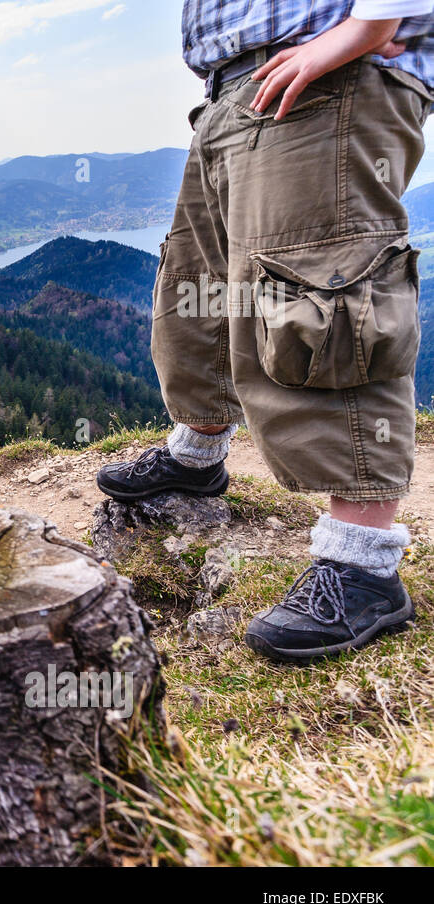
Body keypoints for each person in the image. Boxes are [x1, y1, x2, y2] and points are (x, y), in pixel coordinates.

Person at [97, 2, 434, 662]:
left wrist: (371, 25)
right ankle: (197, 457)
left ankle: (363, 567)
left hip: (329, 75)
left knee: (324, 304)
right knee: (200, 292)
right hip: (235, 89)